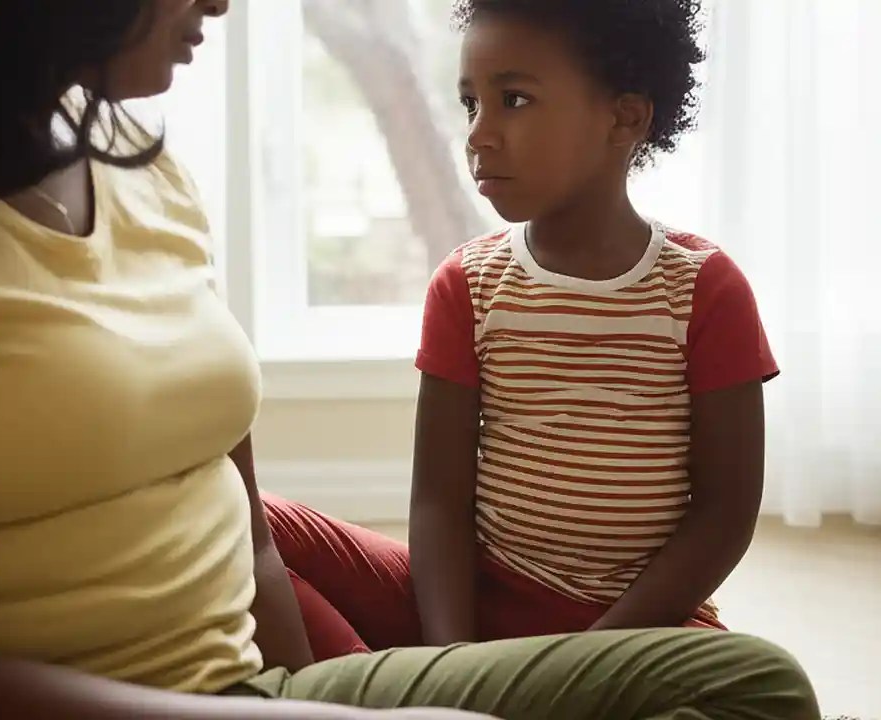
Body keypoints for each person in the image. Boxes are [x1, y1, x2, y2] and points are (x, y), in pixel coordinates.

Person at [0, 1, 815, 719]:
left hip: (254, 686)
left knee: (743, 682)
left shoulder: (137, 165)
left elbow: (241, 526)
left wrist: (330, 692)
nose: (219, 1)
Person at [266, 0, 776, 649]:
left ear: (625, 117)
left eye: (514, 100)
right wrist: (454, 655)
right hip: (479, 606)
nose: (478, 133)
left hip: (637, 630)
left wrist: (582, 658)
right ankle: (421, 696)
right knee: (248, 518)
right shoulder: (468, 285)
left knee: (759, 681)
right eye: (470, 103)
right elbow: (439, 506)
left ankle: (417, 698)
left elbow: (724, 517)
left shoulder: (706, 290)